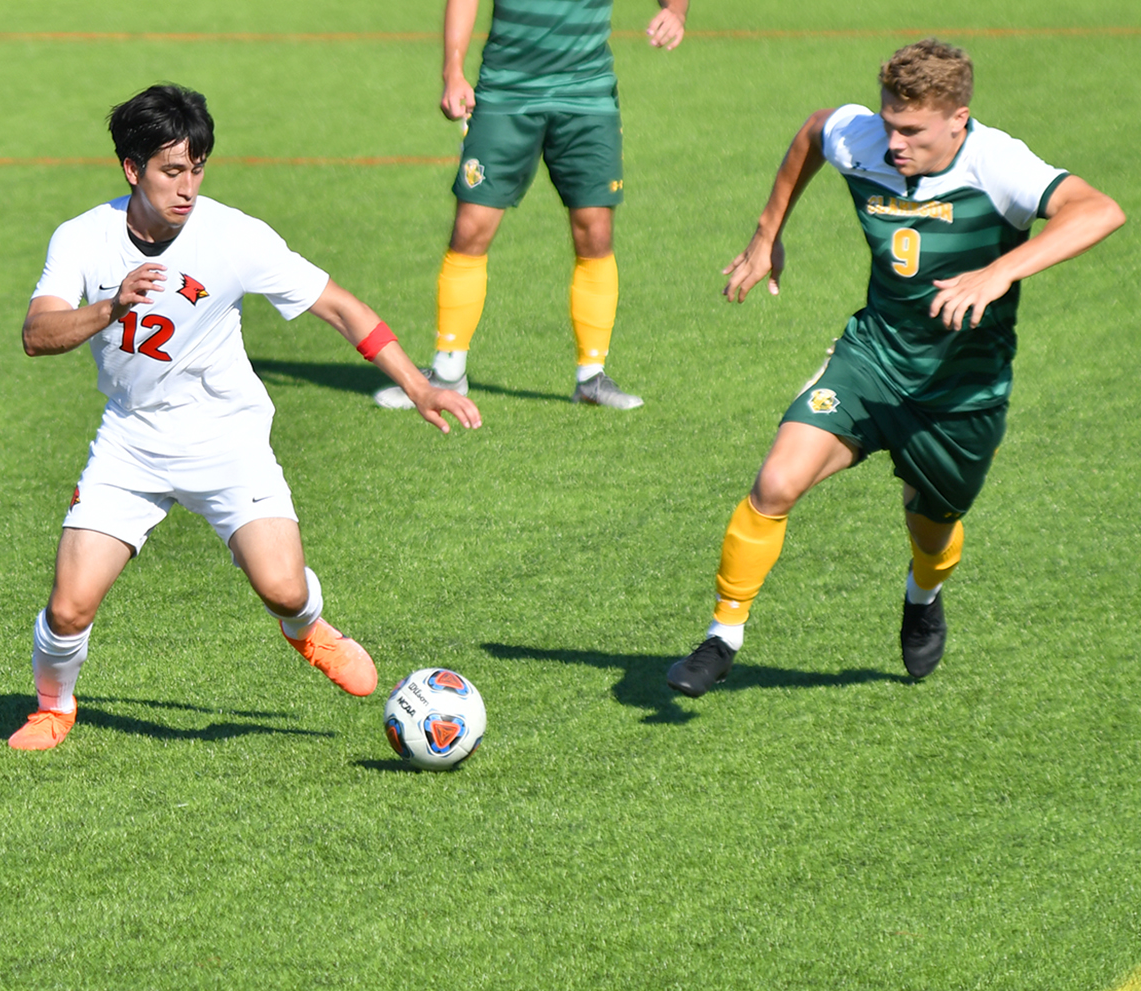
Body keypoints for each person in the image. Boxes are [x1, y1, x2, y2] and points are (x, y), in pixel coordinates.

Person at [13, 84, 483, 750]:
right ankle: (53, 709)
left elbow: (340, 308)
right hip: (131, 442)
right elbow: (38, 334)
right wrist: (110, 308)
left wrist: (419, 386)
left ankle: (309, 630)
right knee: (68, 606)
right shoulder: (84, 239)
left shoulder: (233, 237)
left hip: (227, 440)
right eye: (172, 170)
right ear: (131, 168)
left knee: (284, 589)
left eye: (197, 168)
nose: (187, 187)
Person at [666, 40, 1125, 697]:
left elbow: (1100, 209)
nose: (893, 141)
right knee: (775, 483)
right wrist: (768, 232)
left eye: (911, 130)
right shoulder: (864, 139)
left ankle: (922, 594)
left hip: (961, 391)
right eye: (888, 122)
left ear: (957, 119)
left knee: (930, 525)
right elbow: (814, 130)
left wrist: (997, 272)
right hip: (873, 358)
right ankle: (722, 637)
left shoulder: (997, 164)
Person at [375, 0, 689, 414]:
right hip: (506, 91)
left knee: (595, 231)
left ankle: (591, 378)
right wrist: (453, 72)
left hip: (587, 95)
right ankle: (448, 370)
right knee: (471, 228)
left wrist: (677, 11)